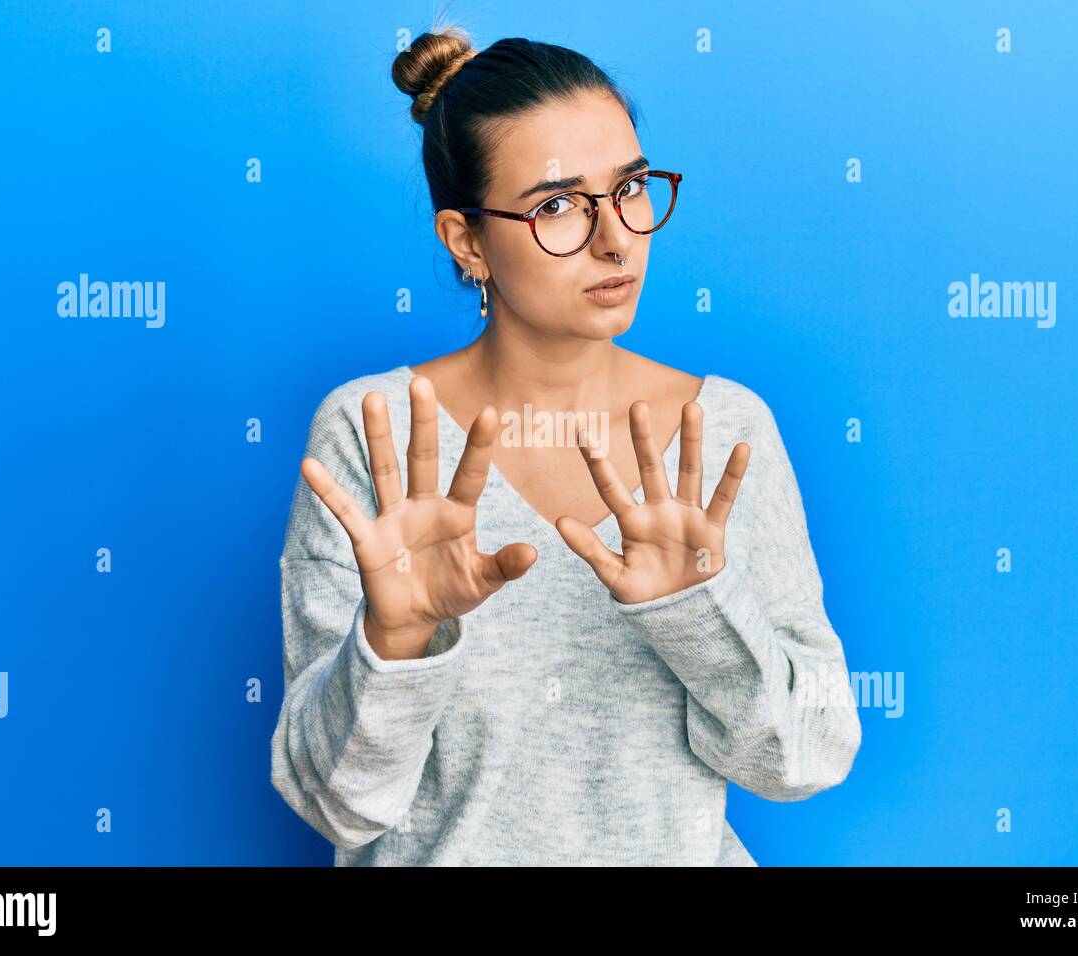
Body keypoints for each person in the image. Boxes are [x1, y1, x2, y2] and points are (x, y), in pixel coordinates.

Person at [269, 23, 862, 866]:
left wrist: (699, 609)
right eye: (555, 207)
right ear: (467, 242)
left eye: (630, 188)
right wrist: (394, 643)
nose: (617, 238)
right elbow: (339, 806)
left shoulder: (724, 430)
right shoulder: (373, 434)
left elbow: (809, 755)